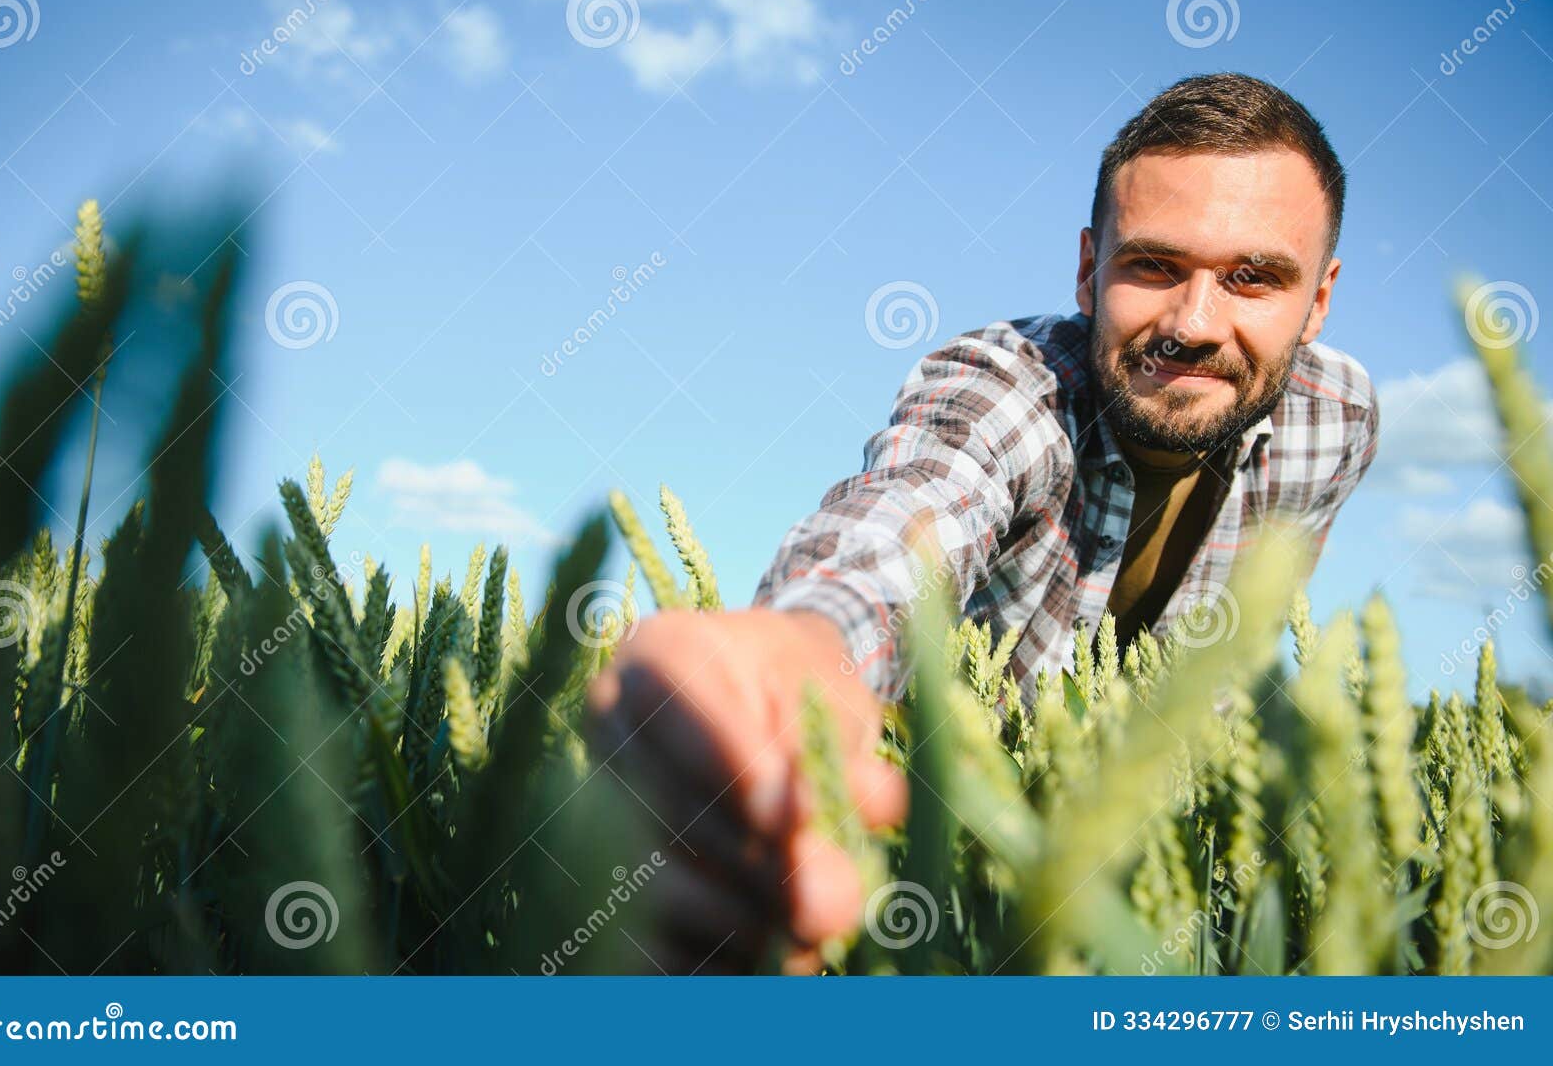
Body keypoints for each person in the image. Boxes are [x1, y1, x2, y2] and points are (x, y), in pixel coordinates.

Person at [585, 71, 1379, 973]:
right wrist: (798, 664)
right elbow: (908, 519)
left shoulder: (1339, 424)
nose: (1193, 323)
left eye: (1253, 278)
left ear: (1318, 298)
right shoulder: (1010, 388)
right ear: (1088, 269)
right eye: (1153, 264)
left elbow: (1250, 635)